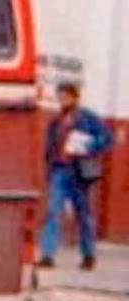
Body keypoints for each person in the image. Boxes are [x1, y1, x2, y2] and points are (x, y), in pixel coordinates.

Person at [40, 81, 114, 270]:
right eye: (59, 96)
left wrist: (89, 147)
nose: (61, 99)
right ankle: (47, 254)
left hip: (78, 171)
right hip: (59, 169)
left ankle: (88, 254)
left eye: (64, 96)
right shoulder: (56, 121)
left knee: (83, 214)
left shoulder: (88, 118)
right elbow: (50, 146)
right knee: (53, 211)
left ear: (74, 97)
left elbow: (107, 139)